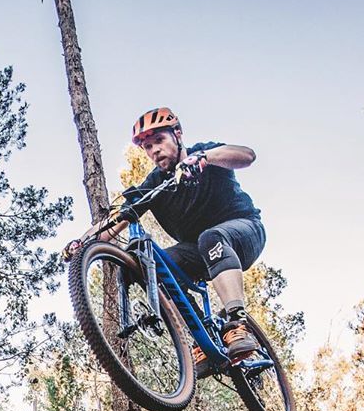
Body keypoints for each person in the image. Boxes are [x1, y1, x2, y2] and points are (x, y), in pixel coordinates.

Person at [69, 107, 265, 377]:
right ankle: (203, 339)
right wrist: (83, 241)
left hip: (244, 230)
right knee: (157, 267)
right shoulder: (155, 183)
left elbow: (247, 156)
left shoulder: (204, 153)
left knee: (211, 237)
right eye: (148, 147)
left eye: (159, 141)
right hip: (199, 251)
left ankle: (237, 324)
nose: (154, 151)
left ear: (178, 135)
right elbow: (117, 220)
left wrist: (204, 158)